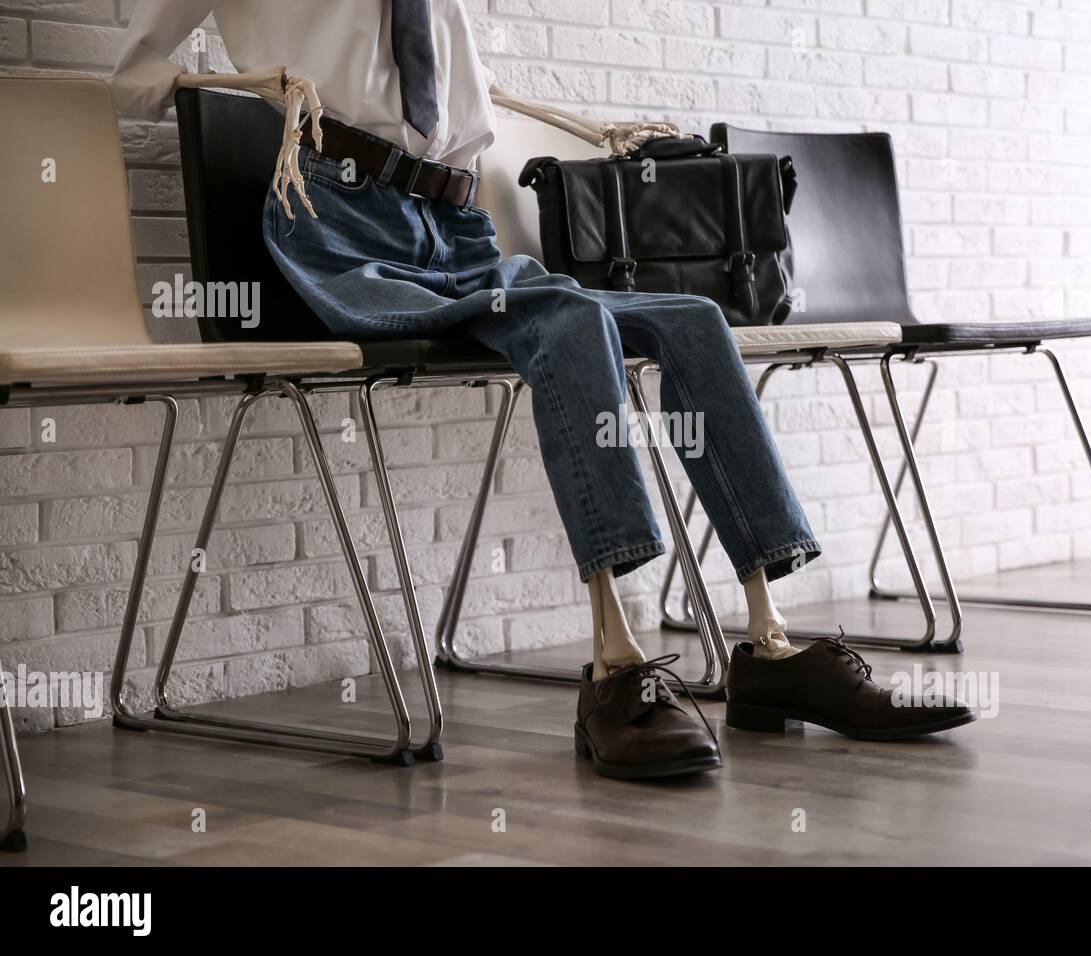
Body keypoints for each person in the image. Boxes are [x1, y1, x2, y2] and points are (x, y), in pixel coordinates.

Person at [111, 0, 973, 781]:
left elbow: (442, 92)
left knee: (694, 321)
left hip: (452, 225)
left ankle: (769, 646)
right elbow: (139, 79)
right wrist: (264, 99)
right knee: (570, 320)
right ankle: (615, 662)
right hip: (340, 230)